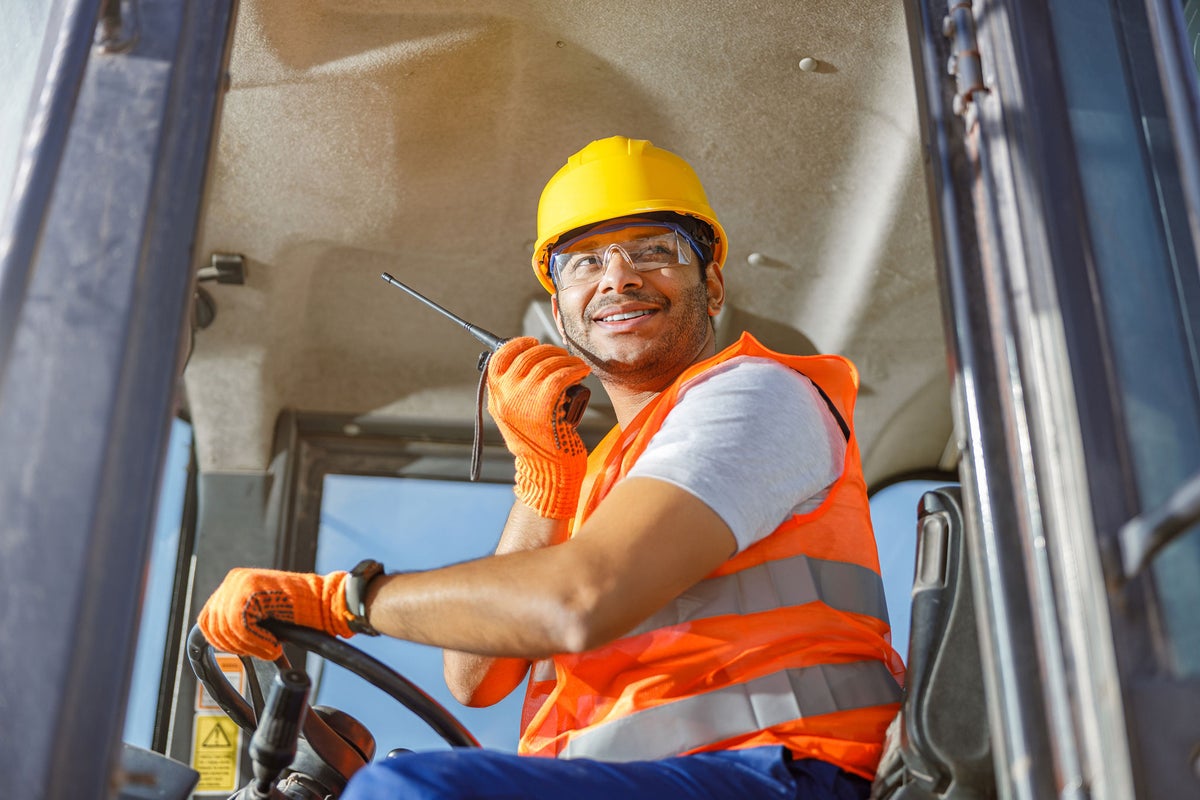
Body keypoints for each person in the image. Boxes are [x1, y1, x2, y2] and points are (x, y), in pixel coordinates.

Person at [198, 135, 905, 799]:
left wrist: (343, 602)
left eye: (654, 250)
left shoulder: (758, 395)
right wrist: (544, 480)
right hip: (657, 781)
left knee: (404, 792)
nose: (619, 277)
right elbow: (475, 677)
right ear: (561, 315)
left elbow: (577, 601)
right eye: (584, 263)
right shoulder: (608, 477)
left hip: (783, 773)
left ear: (712, 285)